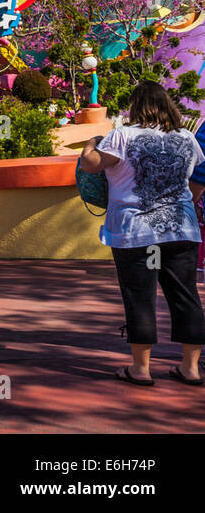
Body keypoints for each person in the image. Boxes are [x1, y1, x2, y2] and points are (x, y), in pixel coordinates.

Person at [80, 81, 204, 387]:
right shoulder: (187, 138)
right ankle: (190, 368)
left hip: (137, 233)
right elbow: (196, 179)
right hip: (181, 230)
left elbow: (91, 165)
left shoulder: (122, 136)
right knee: (186, 297)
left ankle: (141, 369)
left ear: (137, 106)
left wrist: (92, 142)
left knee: (140, 297)